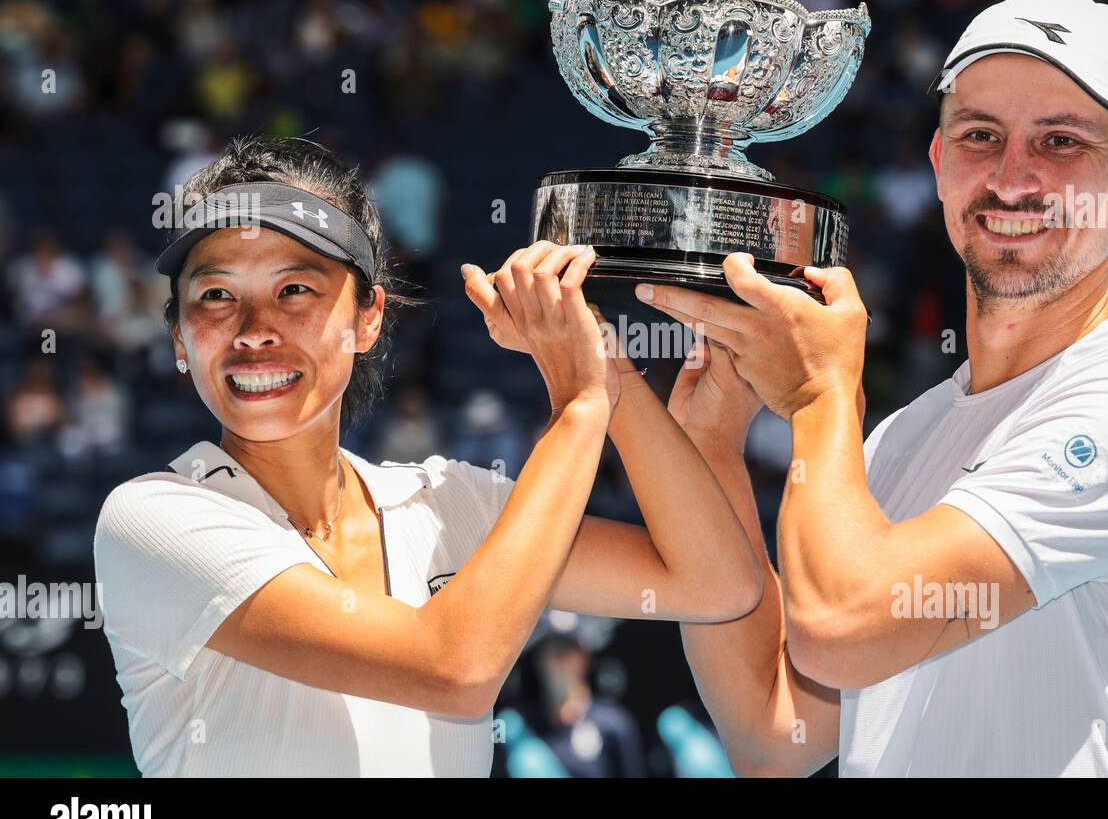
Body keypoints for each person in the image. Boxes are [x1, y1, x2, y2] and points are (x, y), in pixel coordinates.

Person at [634, 0, 1108, 776]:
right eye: (980, 135)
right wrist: (713, 444)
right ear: (940, 162)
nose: (1013, 178)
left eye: (1061, 141)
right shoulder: (901, 438)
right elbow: (773, 735)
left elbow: (842, 628)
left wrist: (818, 400)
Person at [92, 135, 760, 777]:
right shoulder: (153, 517)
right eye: (216, 296)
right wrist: (580, 406)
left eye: (295, 290)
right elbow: (456, 670)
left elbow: (716, 582)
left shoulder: (451, 505)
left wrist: (601, 362)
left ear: (369, 317)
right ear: (179, 336)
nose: (254, 331)